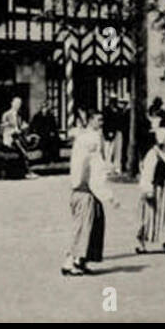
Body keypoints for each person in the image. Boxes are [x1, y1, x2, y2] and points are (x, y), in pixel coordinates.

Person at [62, 112, 116, 276]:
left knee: (91, 226)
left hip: (85, 189)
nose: (101, 123)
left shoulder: (87, 138)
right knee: (82, 228)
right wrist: (107, 195)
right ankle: (70, 262)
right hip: (85, 190)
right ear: (91, 120)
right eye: (98, 119)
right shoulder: (89, 140)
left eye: (102, 120)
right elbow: (92, 169)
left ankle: (80, 261)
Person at [137, 128, 165, 253]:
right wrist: (147, 190)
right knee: (149, 216)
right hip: (156, 188)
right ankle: (141, 243)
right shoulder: (153, 154)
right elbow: (147, 173)